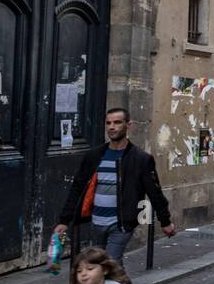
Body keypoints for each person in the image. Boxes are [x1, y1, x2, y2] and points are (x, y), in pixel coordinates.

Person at [55, 107, 176, 263]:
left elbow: (154, 192)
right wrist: (64, 220)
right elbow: (78, 188)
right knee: (101, 267)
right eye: (108, 123)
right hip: (96, 221)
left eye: (117, 122)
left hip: (121, 224)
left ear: (128, 125)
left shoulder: (140, 159)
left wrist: (165, 221)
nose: (112, 127)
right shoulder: (94, 156)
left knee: (111, 262)